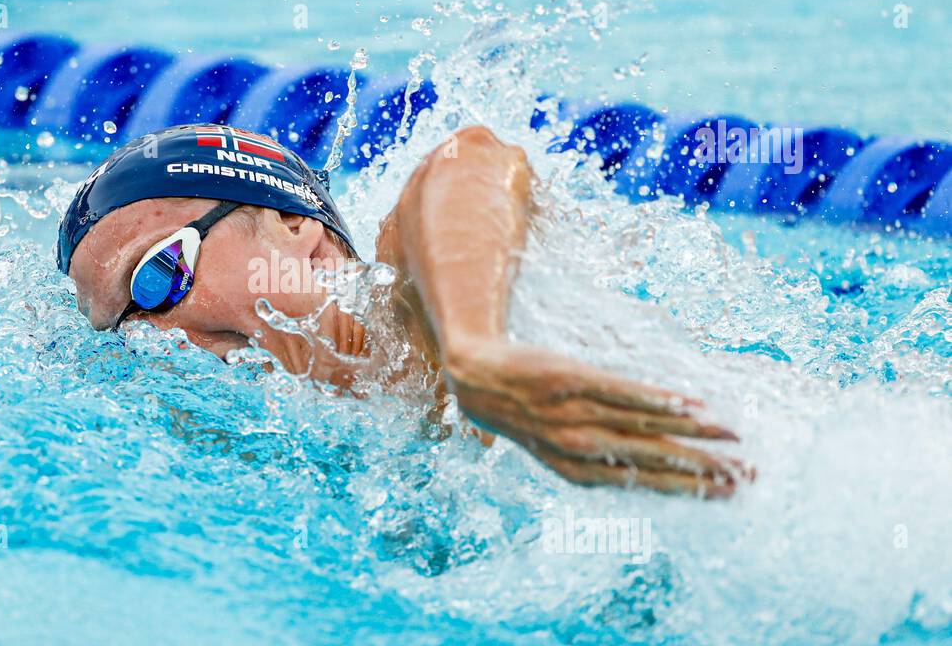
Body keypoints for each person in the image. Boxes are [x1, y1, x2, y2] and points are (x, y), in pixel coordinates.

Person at [57, 122, 749, 497]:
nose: (162, 339)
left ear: (296, 230)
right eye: (126, 327)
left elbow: (468, 160)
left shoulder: (411, 310)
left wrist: (478, 350)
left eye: (158, 276)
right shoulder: (302, 464)